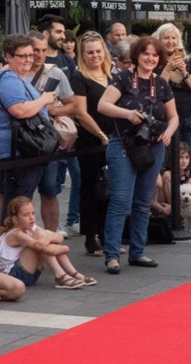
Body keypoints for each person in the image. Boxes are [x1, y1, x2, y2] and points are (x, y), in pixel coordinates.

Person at [97, 36, 179, 275]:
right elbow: (103, 105)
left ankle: (138, 251)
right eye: (146, 54)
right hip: (124, 143)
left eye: (154, 55)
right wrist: (127, 114)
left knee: (143, 202)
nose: (150, 59)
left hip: (154, 145)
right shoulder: (123, 77)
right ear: (137, 56)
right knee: (121, 200)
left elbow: (174, 116)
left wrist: (169, 132)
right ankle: (112, 255)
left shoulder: (161, 83)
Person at [0, 34, 55, 220]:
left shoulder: (17, 78)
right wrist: (44, 99)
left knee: (19, 202)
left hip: (25, 148)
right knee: (17, 204)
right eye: (23, 56)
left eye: (30, 55)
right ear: (8, 56)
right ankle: (10, 236)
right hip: (19, 149)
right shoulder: (9, 80)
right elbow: (19, 110)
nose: (28, 59)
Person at [25, 31, 77, 237]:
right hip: (22, 140)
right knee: (22, 194)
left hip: (47, 141)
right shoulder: (15, 72)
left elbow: (72, 104)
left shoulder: (55, 73)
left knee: (49, 190)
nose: (39, 55)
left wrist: (53, 110)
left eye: (43, 50)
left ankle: (51, 235)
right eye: (35, 50)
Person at [71, 31, 113, 256]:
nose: (95, 55)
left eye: (98, 51)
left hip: (112, 141)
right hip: (90, 142)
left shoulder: (111, 76)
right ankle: (90, 238)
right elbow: (80, 113)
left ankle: (106, 236)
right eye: (90, 52)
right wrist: (100, 135)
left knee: (109, 190)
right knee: (90, 189)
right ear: (83, 55)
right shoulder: (79, 78)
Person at [0, 196, 94, 290]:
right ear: (15, 219)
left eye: (33, 213)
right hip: (14, 276)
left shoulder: (31, 227)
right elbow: (46, 249)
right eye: (26, 215)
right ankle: (60, 275)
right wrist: (65, 248)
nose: (31, 218)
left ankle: (74, 274)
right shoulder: (16, 233)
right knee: (40, 240)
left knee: (44, 235)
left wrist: (47, 239)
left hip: (30, 274)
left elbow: (59, 237)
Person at [152, 23, 191, 184]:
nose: (170, 41)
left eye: (174, 38)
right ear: (159, 39)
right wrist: (168, 68)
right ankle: (168, 195)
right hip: (167, 117)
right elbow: (158, 89)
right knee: (167, 157)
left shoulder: (188, 61)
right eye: (166, 38)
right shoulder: (154, 61)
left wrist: (184, 72)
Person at [156, 141, 191, 216]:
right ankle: (174, 208)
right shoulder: (165, 170)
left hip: (185, 201)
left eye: (187, 157)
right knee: (167, 175)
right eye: (180, 157)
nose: (184, 161)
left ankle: (186, 211)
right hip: (166, 201)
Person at [39, 15, 76, 80]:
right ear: (46, 34)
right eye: (58, 32)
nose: (63, 37)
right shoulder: (36, 61)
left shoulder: (68, 60)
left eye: (63, 33)